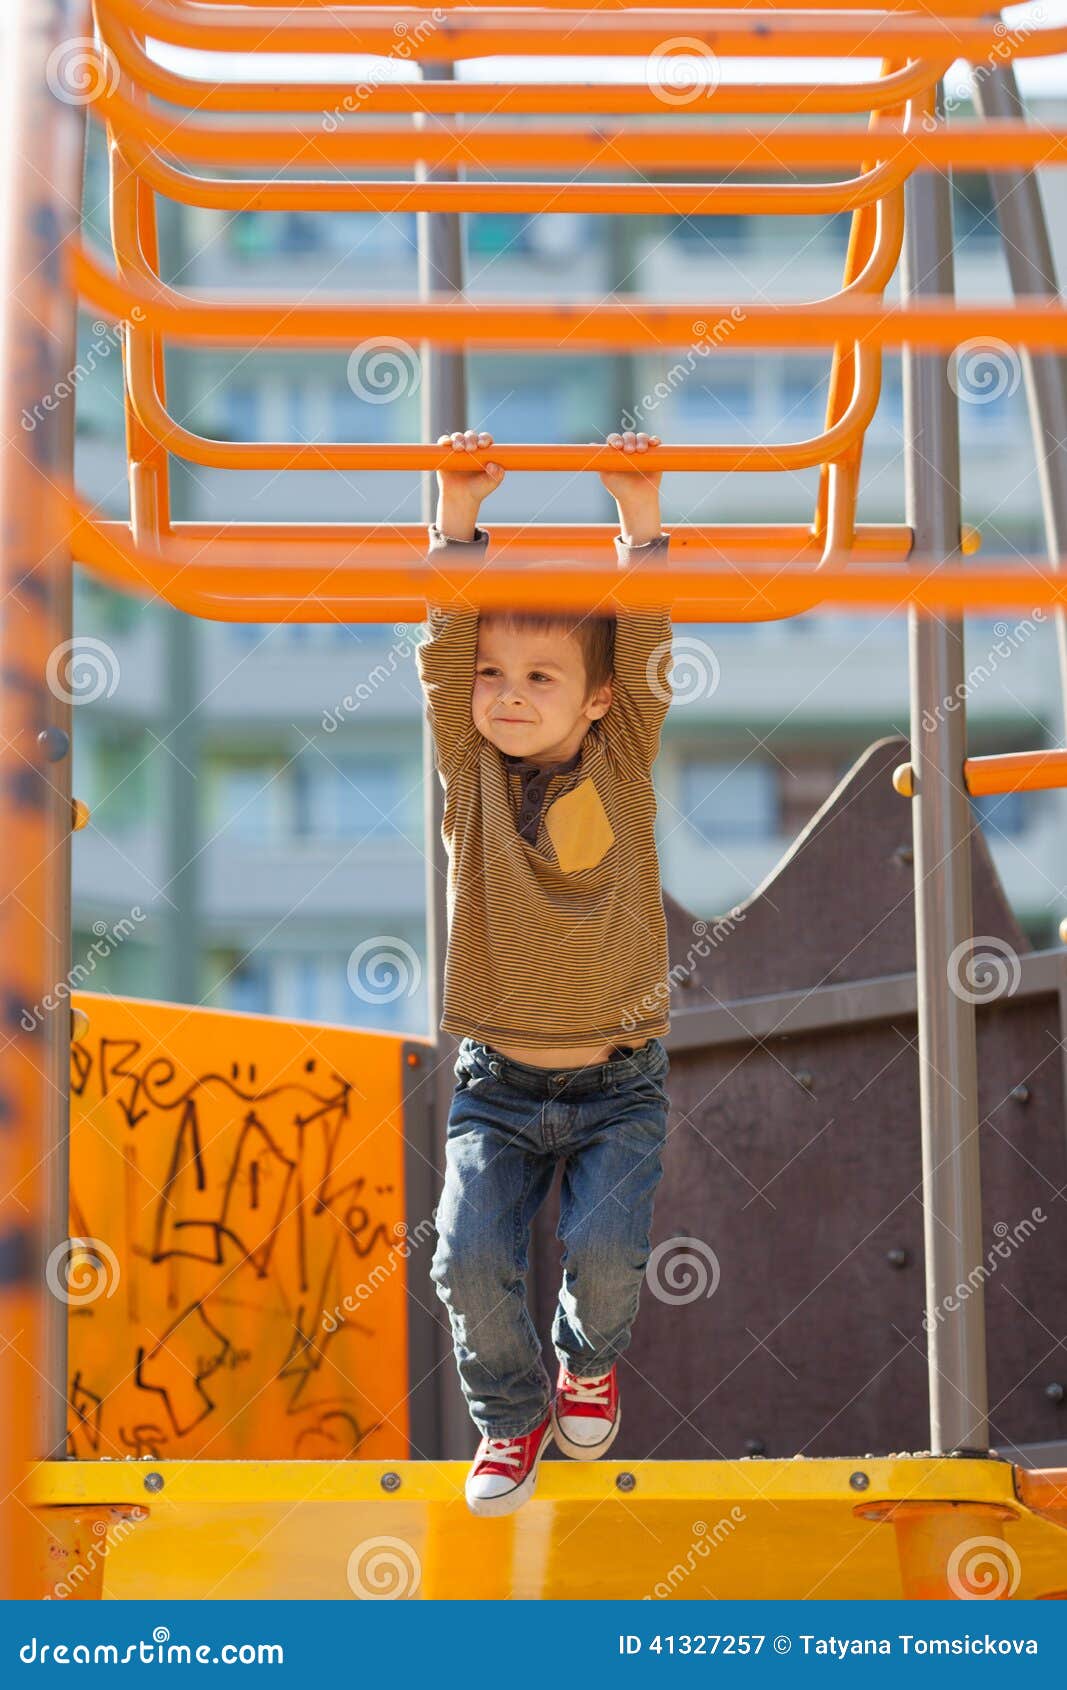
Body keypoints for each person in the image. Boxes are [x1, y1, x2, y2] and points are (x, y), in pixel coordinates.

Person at [416, 427, 674, 1515]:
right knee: (463, 1259)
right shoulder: (469, 770)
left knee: (605, 1256)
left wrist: (638, 517)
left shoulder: (624, 754)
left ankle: (585, 1361)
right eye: (492, 674)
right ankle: (511, 1420)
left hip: (618, 1082)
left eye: (538, 677)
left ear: (598, 699)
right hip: (497, 1087)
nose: (506, 696)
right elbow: (440, 644)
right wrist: (458, 519)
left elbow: (649, 645)